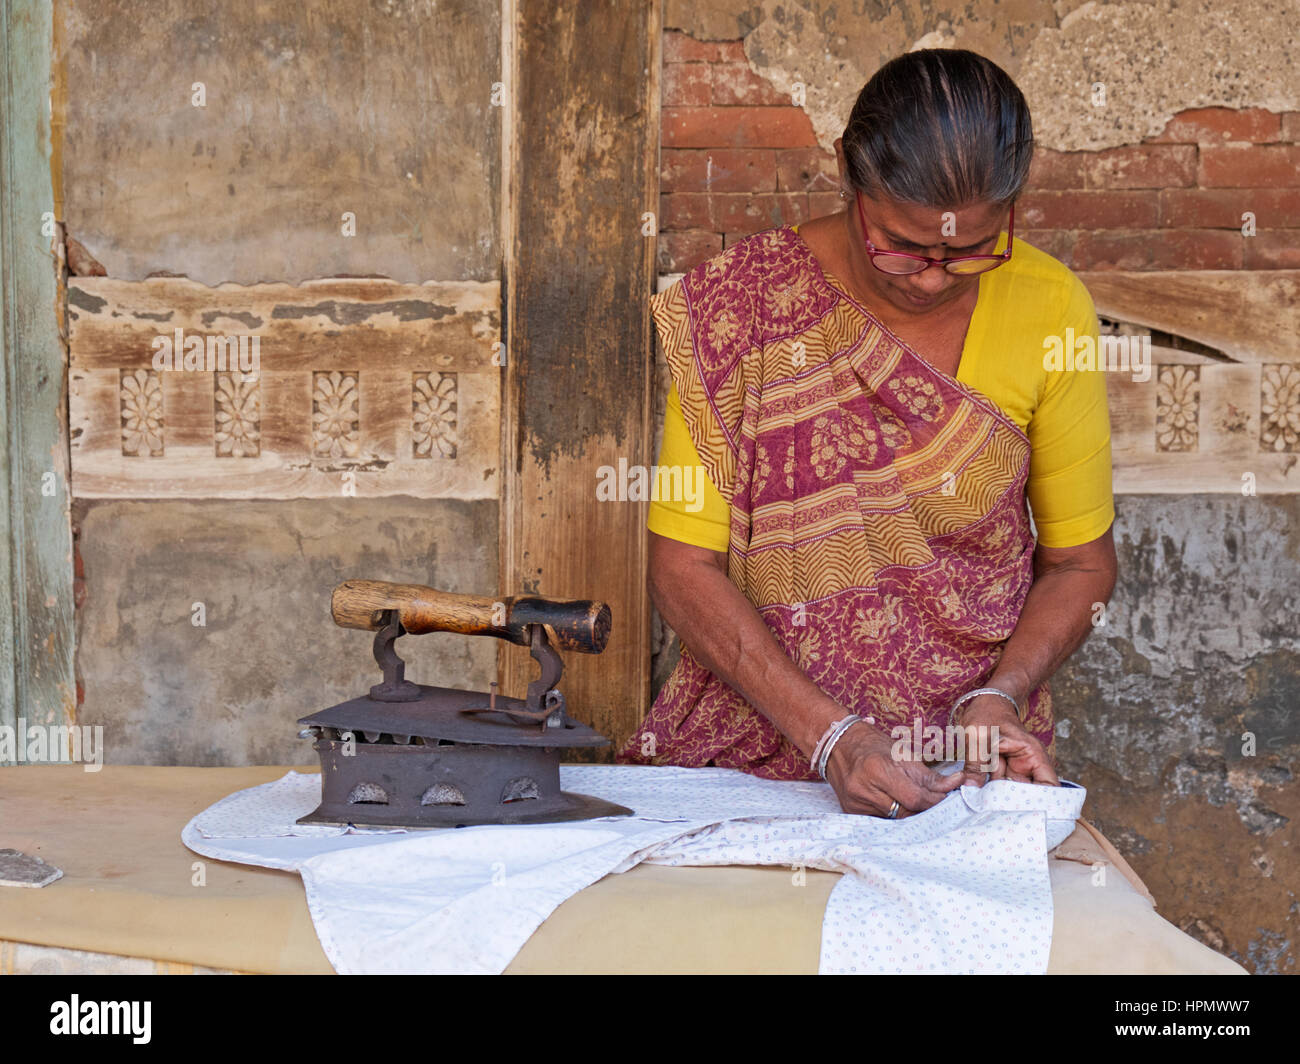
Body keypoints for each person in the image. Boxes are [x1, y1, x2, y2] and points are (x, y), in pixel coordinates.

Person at [617, 48, 1117, 819]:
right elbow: (683, 567)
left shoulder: (1053, 310)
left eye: (970, 250)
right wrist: (831, 738)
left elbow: (1081, 565)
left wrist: (1000, 698)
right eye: (901, 243)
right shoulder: (739, 307)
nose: (931, 276)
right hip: (755, 756)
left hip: (965, 770)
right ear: (850, 176)